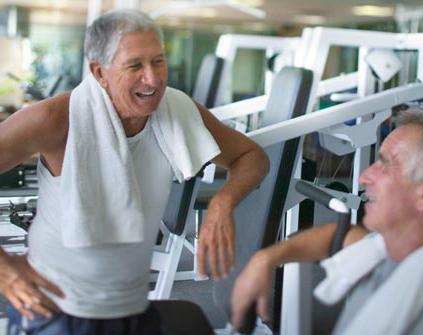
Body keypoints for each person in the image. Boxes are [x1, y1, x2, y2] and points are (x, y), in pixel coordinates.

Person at [0, 9, 269, 334]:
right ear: (100, 72)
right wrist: (5, 269)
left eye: (158, 61)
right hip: (54, 309)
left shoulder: (178, 111)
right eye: (135, 66)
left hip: (132, 307)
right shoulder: (56, 120)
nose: (153, 79)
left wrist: (222, 204)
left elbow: (251, 157)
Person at [231, 108, 423, 334]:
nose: (364, 177)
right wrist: (265, 259)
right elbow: (338, 236)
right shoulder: (384, 252)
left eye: (385, 164)